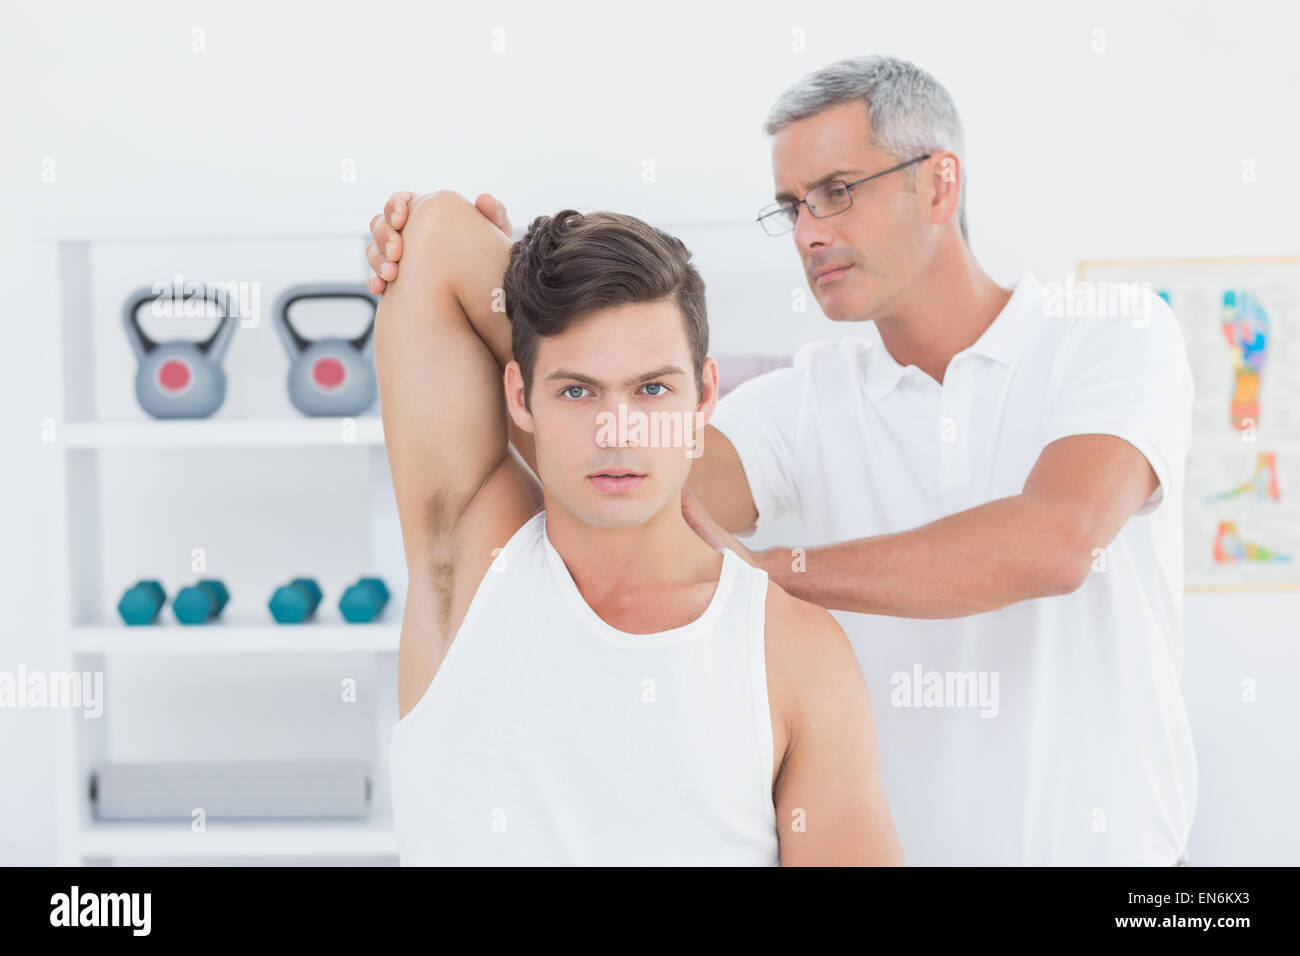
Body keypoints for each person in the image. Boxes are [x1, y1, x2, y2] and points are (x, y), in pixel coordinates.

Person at [368, 55, 1197, 866]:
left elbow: (1059, 544)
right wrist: (534, 277)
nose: (808, 232)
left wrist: (770, 571)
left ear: (940, 184)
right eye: (791, 206)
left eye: (837, 192)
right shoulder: (807, 403)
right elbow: (623, 472)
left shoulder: (1110, 335)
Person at [377, 190, 904, 865]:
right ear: (520, 395)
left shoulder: (792, 652)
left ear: (705, 395)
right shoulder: (470, 570)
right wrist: (533, 303)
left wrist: (544, 330)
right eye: (577, 390)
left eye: (652, 389)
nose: (616, 431)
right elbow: (437, 233)